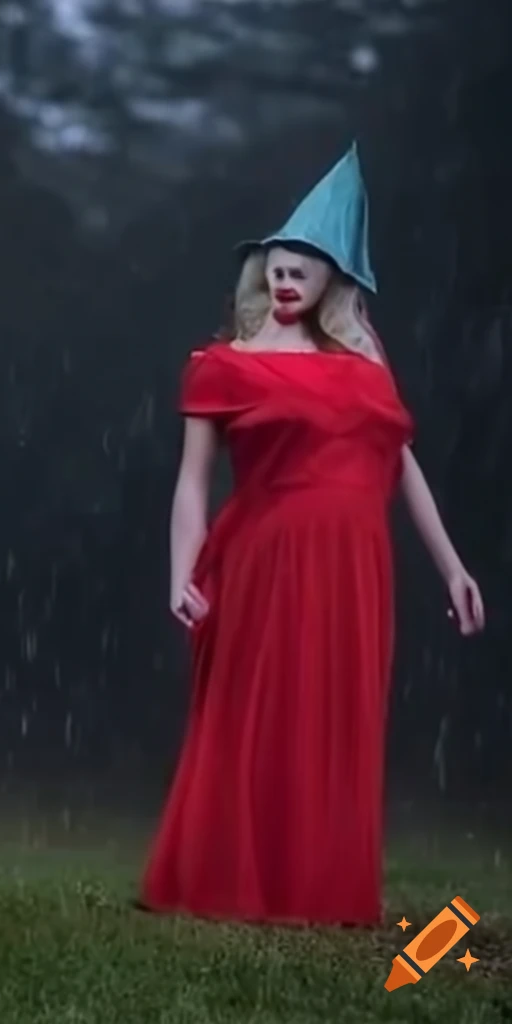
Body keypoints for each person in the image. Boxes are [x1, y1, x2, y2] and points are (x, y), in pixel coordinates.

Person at [139, 143, 484, 926]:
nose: (285, 283)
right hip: (269, 554)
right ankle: (237, 879)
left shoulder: (366, 360)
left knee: (338, 712)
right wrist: (180, 573)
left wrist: (452, 566)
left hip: (358, 560)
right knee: (260, 711)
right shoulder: (224, 364)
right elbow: (193, 480)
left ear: (333, 279)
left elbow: (398, 460)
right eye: (276, 270)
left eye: (301, 270)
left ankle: (319, 886)